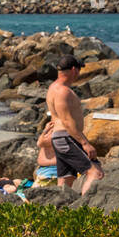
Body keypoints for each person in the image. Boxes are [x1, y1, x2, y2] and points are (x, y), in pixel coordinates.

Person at [46, 55, 104, 194]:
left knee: (66, 179)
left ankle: (60, 210)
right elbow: (66, 121)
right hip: (67, 137)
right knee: (96, 172)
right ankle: (86, 209)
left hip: (60, 138)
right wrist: (85, 143)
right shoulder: (63, 91)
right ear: (74, 70)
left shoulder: (53, 87)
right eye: (79, 70)